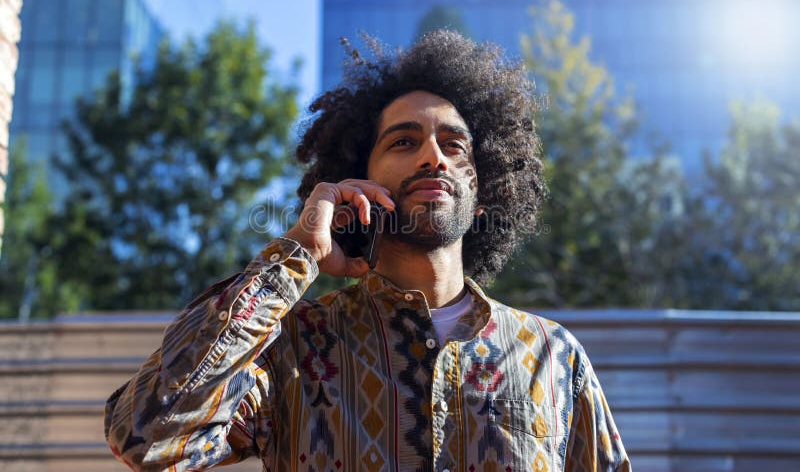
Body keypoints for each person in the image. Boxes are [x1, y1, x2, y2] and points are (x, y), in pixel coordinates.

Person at [105, 30, 631, 471]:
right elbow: (146, 435)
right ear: (357, 180)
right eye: (403, 142)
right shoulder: (293, 347)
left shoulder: (553, 355)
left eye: (453, 145)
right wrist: (296, 254)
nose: (433, 157)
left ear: (481, 195)